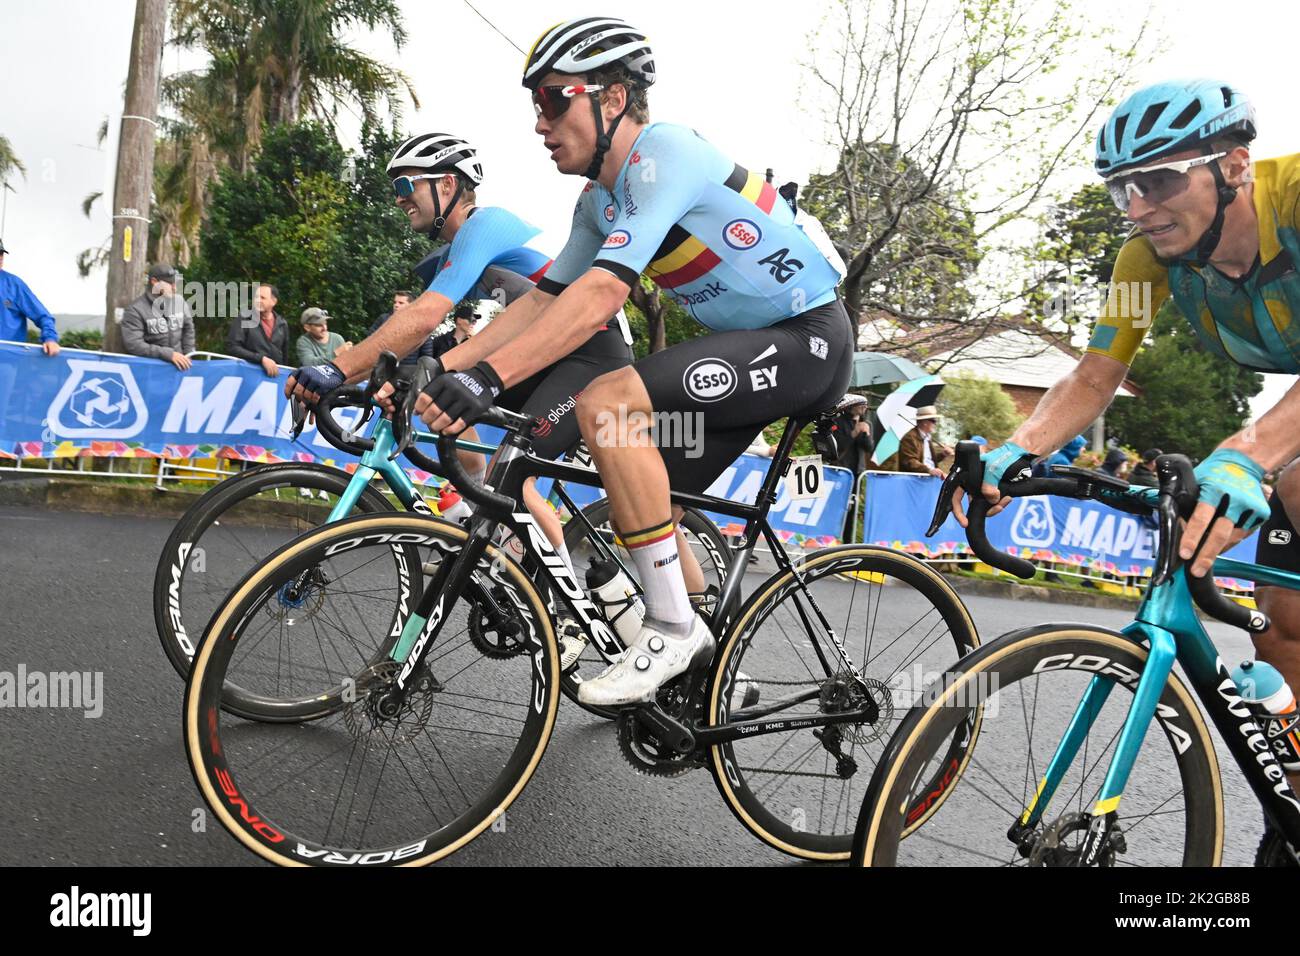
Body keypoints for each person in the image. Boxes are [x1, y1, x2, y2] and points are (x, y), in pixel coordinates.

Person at [410, 18, 851, 707]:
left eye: (554, 99)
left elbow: (600, 295)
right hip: (763, 349)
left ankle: (672, 629)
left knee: (605, 401)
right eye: (535, 105)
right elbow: (542, 300)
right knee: (643, 504)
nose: (539, 122)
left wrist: (489, 378)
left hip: (807, 339)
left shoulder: (664, 153)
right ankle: (711, 677)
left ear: (612, 99)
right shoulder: (597, 201)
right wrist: (451, 367)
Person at [954, 79, 1300, 806]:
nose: (1139, 207)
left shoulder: (1295, 197)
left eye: (1161, 179)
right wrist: (1019, 448)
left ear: (1234, 165)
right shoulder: (1148, 261)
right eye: (1125, 189)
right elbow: (1095, 377)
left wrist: (1246, 451)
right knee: (1282, 623)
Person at [284, 130, 644, 669]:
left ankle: (566, 611)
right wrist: (381, 381)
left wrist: (336, 366)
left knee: (513, 478)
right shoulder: (454, 252)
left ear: (448, 184)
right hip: (544, 357)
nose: (399, 197)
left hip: (592, 359)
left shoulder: (484, 224)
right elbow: (423, 341)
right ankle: (475, 510)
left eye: (407, 184)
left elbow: (425, 316)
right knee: (441, 404)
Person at [120, 263, 194, 370]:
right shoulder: (135, 310)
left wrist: (188, 355)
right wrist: (168, 354)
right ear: (154, 282)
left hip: (179, 369)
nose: (175, 288)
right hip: (150, 372)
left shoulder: (180, 302)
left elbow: (189, 329)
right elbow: (134, 344)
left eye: (176, 283)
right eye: (170, 284)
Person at [0, 239, 59, 356]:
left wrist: (50, 338)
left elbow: (43, 316)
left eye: (1, 254)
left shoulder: (14, 284)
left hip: (7, 360)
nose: (0, 258)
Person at [227, 283, 288, 376]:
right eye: (256, 297)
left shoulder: (282, 324)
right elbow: (232, 347)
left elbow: (284, 355)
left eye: (262, 298)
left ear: (274, 301)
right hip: (247, 375)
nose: (258, 300)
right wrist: (261, 358)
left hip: (273, 378)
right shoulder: (244, 318)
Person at [367, 291, 433, 371]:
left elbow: (426, 358)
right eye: (395, 302)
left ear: (411, 306)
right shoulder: (383, 319)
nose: (396, 305)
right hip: (378, 367)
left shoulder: (421, 327)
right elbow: (369, 340)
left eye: (401, 303)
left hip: (405, 374)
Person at [897, 407, 949, 478]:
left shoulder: (927, 437)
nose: (935, 424)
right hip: (915, 480)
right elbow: (909, 461)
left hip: (927, 478)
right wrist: (929, 470)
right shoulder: (909, 437)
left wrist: (943, 454)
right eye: (933, 421)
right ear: (925, 423)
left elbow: (928, 460)